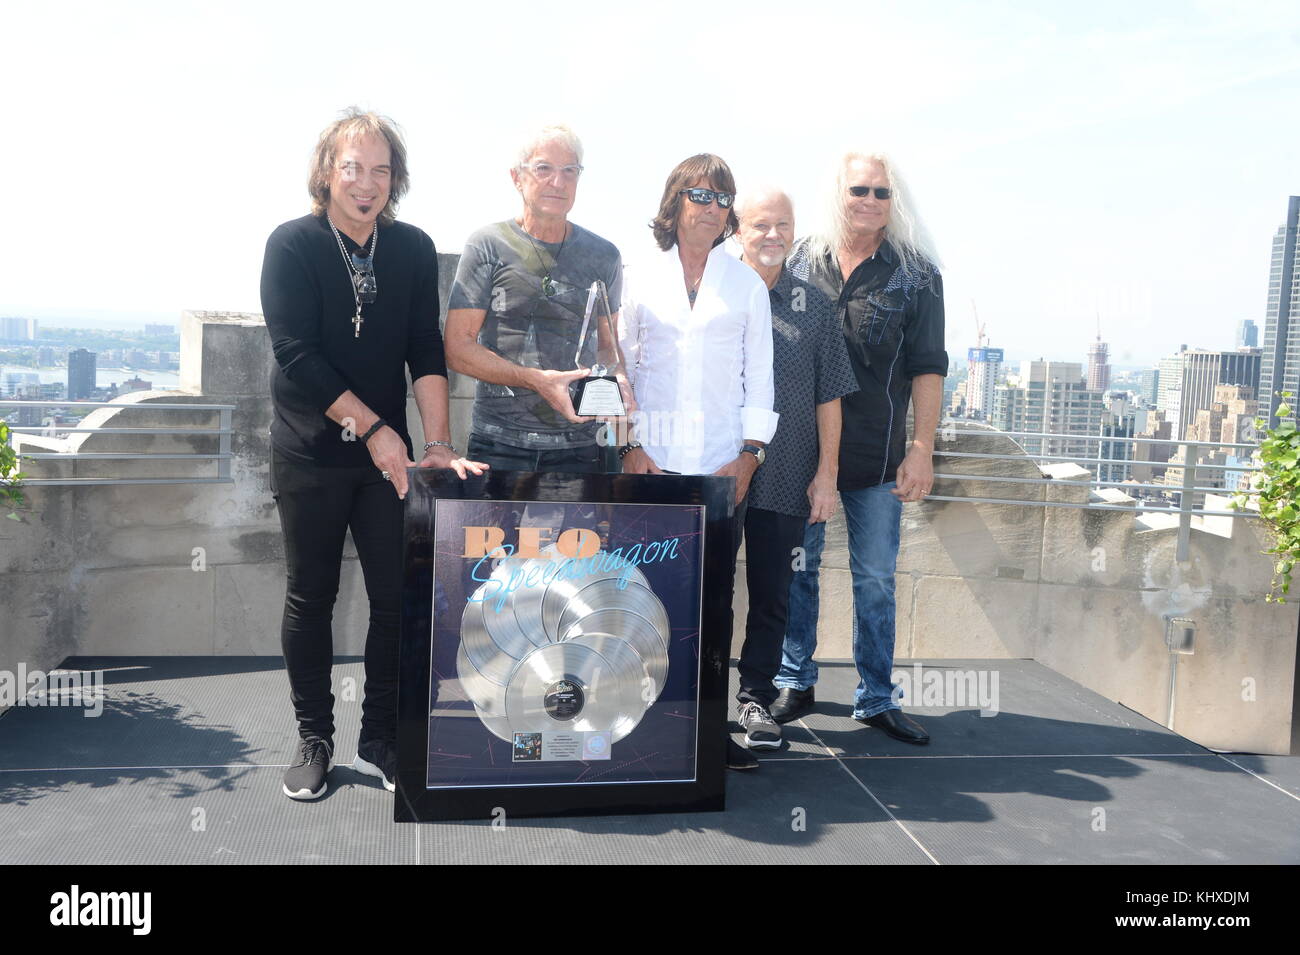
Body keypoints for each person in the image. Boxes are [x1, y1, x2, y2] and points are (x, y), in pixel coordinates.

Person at [261, 108, 485, 801]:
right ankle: (314, 736)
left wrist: (439, 442)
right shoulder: (291, 245)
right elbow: (297, 356)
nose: (367, 182)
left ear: (397, 179)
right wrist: (378, 429)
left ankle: (382, 734)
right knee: (311, 596)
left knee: (396, 598)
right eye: (352, 166)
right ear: (327, 172)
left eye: (381, 169)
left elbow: (426, 347)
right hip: (311, 454)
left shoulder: (414, 249)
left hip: (388, 464)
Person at [772, 151, 947, 744]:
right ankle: (795, 680)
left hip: (877, 455)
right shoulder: (799, 261)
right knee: (799, 571)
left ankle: (876, 697)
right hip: (800, 451)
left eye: (881, 192)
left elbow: (928, 368)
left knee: (874, 577)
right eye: (859, 190)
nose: (869, 201)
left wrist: (921, 447)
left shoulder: (917, 274)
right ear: (837, 193)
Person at [618, 154, 778, 771]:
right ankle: (638, 725)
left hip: (718, 471)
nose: (710, 207)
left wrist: (748, 459)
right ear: (675, 203)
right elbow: (620, 371)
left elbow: (760, 381)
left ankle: (707, 729)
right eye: (699, 195)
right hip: (651, 465)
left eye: (721, 198)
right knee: (642, 596)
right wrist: (630, 445)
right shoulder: (637, 277)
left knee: (712, 604)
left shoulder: (745, 286)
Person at [731, 187, 858, 753]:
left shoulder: (815, 305)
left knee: (774, 593)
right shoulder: (713, 297)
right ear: (737, 230)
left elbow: (830, 397)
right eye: (761, 225)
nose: (773, 235)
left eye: (783, 224)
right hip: (717, 470)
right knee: (706, 590)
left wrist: (826, 474)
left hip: (786, 474)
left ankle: (756, 697)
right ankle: (698, 699)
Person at [445, 125, 629, 473]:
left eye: (569, 171)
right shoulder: (486, 245)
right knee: (495, 532)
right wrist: (535, 380)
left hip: (583, 448)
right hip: (499, 445)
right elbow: (457, 348)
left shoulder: (604, 256)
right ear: (517, 177)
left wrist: (618, 378)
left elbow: (609, 348)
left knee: (583, 533)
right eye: (543, 169)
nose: (557, 183)